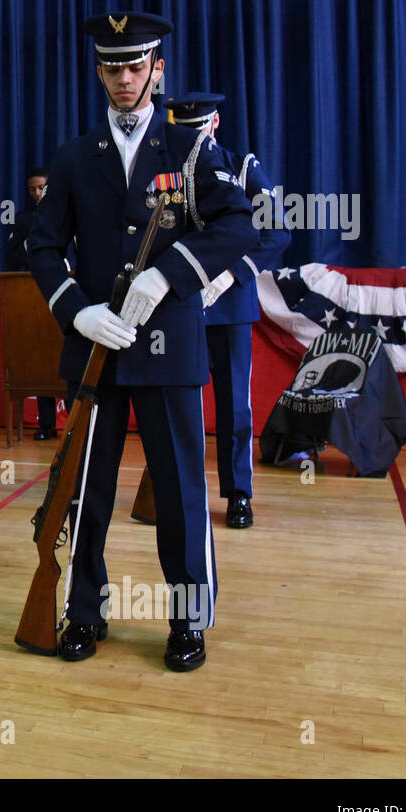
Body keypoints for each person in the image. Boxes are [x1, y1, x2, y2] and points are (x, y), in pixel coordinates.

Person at [27, 13, 257, 670]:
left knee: (182, 492)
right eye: (113, 68)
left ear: (157, 69)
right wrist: (75, 310)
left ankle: (187, 620)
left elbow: (237, 224)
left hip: (168, 348)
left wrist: (170, 273)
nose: (124, 79)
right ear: (98, 72)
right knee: (85, 490)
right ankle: (82, 609)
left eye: (136, 67)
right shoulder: (75, 156)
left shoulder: (187, 148)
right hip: (97, 349)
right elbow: (41, 244)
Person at [166, 92, 290, 529]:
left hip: (229, 301)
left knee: (234, 402)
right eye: (184, 131)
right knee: (180, 402)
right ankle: (183, 488)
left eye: (198, 129)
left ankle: (238, 493)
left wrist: (232, 274)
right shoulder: (166, 172)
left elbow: (276, 230)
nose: (192, 139)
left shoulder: (241, 168)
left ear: (214, 124)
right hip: (180, 302)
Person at [4, 167, 58, 439]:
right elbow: (11, 257)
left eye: (42, 187)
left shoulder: (66, 211)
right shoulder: (23, 220)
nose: (38, 193)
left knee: (65, 356)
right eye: (33, 189)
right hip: (34, 294)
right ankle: (45, 423)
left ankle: (75, 421)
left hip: (68, 289)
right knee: (42, 360)